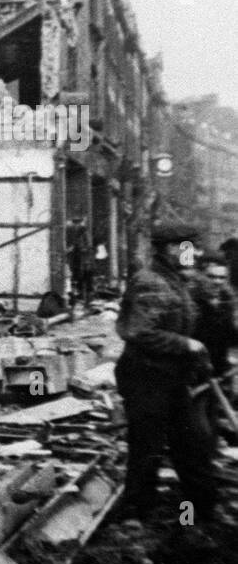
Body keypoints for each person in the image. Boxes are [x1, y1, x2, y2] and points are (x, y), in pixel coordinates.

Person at [114, 222, 218, 528]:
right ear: (171, 249)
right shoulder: (150, 281)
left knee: (193, 445)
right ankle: (135, 516)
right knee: (147, 448)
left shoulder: (177, 280)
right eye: (189, 247)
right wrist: (185, 344)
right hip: (145, 378)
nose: (195, 253)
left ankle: (199, 516)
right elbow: (137, 331)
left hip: (172, 378)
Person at [188, 251, 238, 394]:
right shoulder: (189, 300)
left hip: (218, 370)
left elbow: (229, 335)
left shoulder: (225, 301)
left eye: (222, 277)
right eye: (211, 276)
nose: (217, 282)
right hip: (193, 371)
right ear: (200, 276)